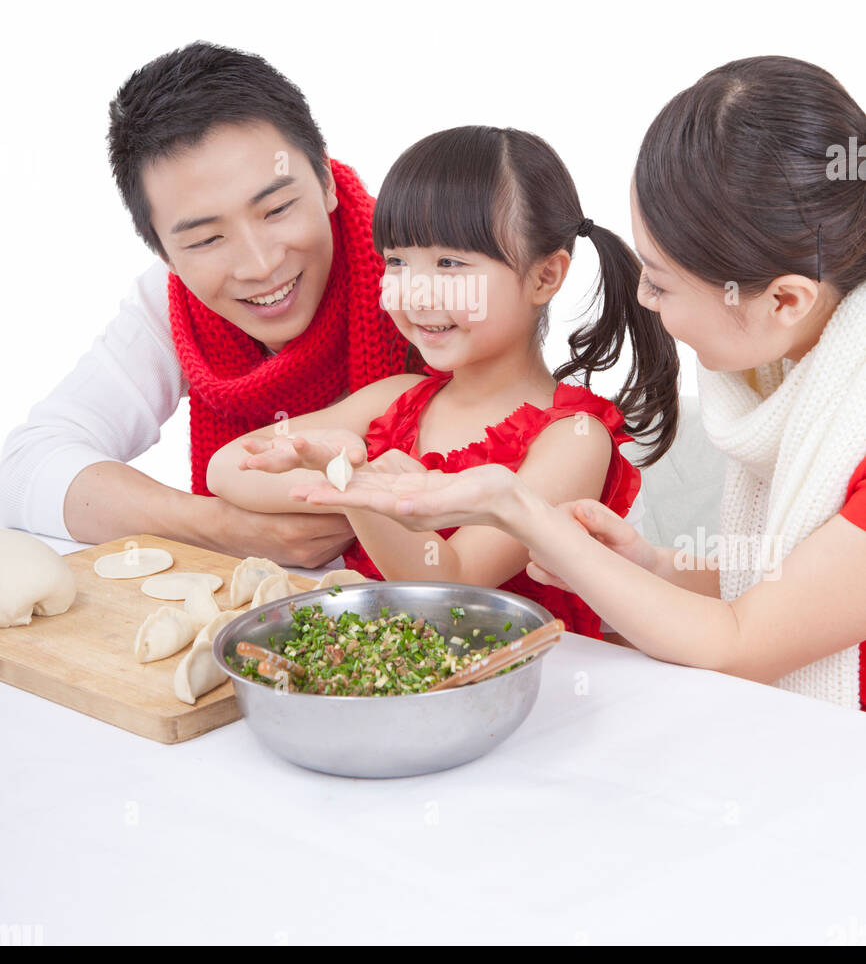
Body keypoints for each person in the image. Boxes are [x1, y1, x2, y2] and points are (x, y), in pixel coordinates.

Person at [282, 57, 866, 709]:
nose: (642, 296)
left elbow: (741, 643)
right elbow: (781, 588)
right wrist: (651, 565)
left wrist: (521, 510)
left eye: (663, 281)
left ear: (784, 301)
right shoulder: (803, 386)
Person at [207, 125, 680, 635]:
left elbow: (450, 585)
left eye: (450, 263)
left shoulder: (571, 440)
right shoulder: (396, 399)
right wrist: (337, 478)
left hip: (519, 687)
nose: (415, 293)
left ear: (544, 277)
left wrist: (355, 487)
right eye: (397, 262)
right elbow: (229, 465)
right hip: (388, 669)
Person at [0, 42, 415, 564]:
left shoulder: (422, 273)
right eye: (204, 240)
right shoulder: (175, 306)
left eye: (277, 208)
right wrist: (219, 527)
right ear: (163, 253)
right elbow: (24, 469)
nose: (260, 264)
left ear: (327, 180)